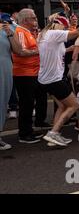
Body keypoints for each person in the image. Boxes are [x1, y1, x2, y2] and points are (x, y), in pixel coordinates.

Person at [39, 11, 79, 147]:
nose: (65, 31)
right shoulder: (54, 33)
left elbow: (55, 51)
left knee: (62, 105)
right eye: (64, 28)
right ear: (59, 26)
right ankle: (53, 133)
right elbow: (78, 32)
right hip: (54, 79)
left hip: (45, 79)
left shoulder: (43, 35)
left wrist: (69, 49)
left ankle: (54, 134)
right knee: (74, 105)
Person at [12, 9, 49, 144]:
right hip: (24, 73)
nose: (36, 19)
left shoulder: (29, 32)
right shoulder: (20, 31)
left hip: (34, 72)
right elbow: (21, 51)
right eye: (33, 18)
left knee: (34, 100)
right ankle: (24, 134)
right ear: (26, 20)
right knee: (26, 104)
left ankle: (31, 128)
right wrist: (39, 51)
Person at [0, 14, 22, 150]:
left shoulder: (8, 26)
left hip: (4, 69)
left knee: (2, 102)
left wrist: (9, 33)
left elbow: (18, 50)